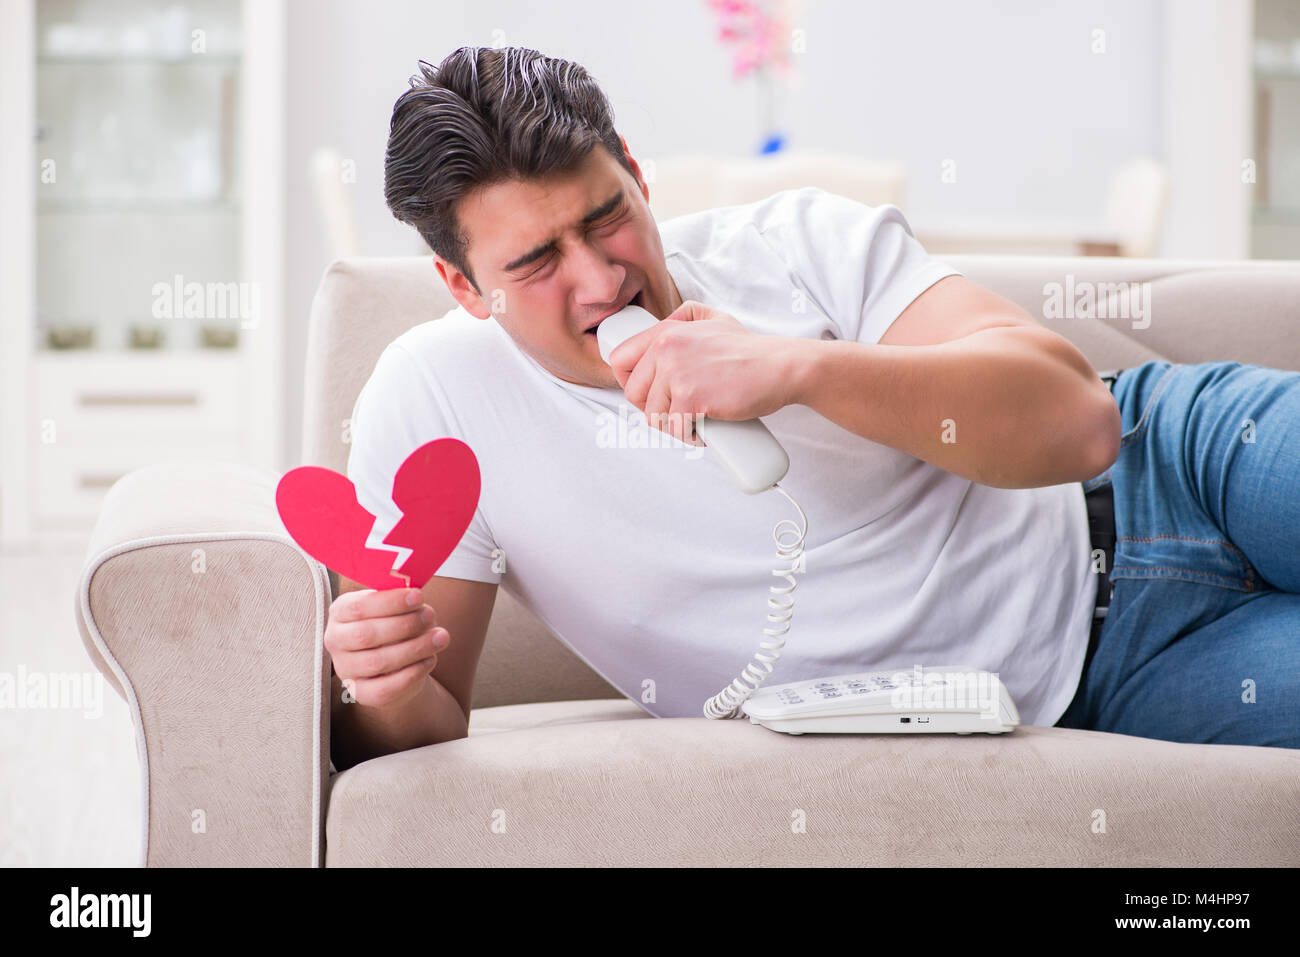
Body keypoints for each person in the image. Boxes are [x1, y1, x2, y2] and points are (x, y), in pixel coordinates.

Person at [324, 46, 1298, 770]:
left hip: (1176, 456)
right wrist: (385, 681)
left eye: (604, 216)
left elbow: (1079, 424)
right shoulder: (434, 401)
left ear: (632, 166)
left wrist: (798, 371)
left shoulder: (796, 241)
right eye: (536, 263)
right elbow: (424, 721)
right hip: (1107, 669)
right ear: (461, 286)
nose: (599, 279)